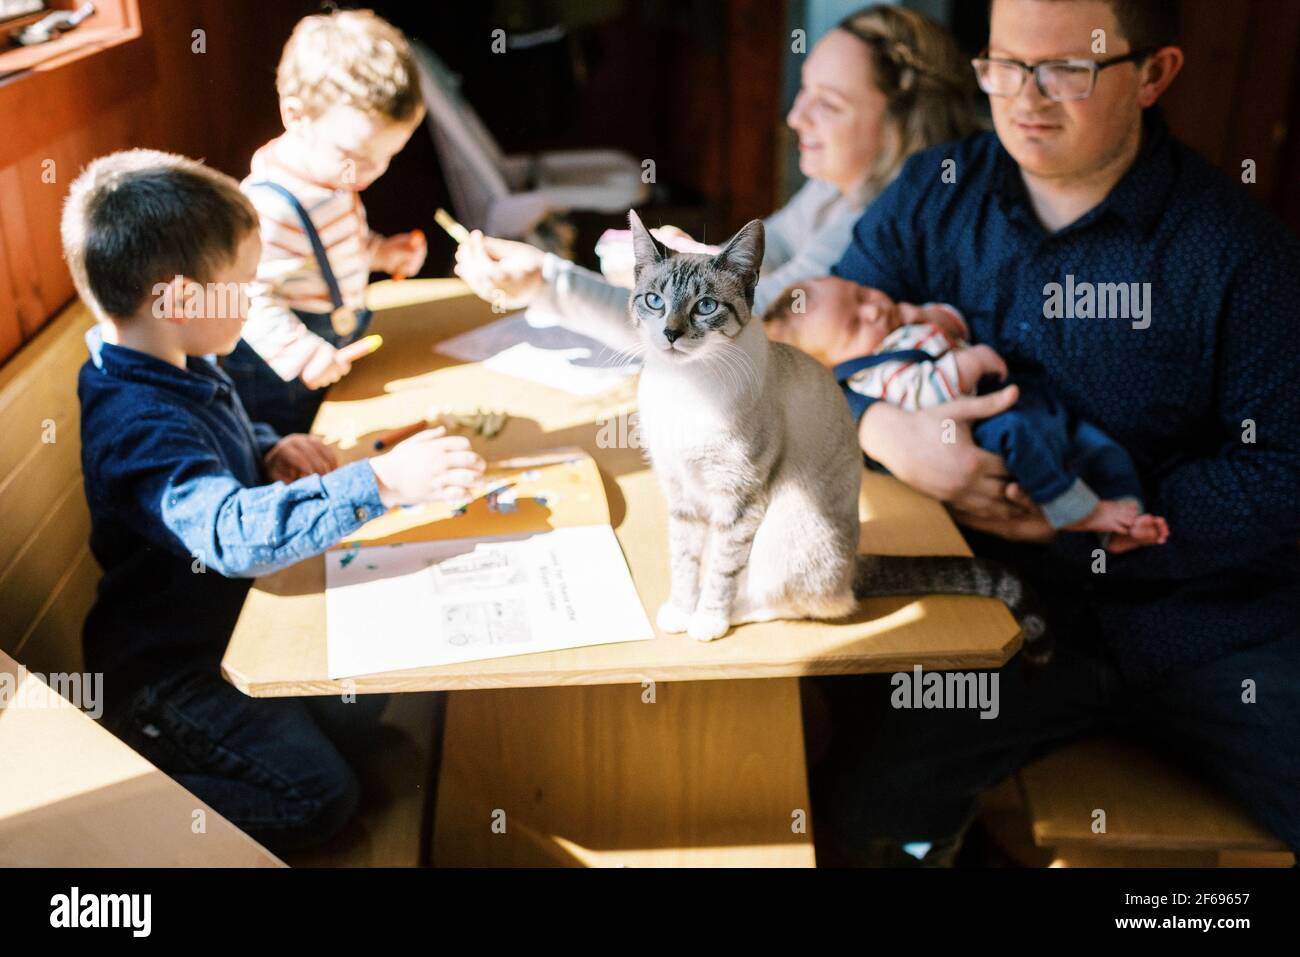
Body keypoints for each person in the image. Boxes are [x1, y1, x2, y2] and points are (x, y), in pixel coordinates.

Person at [817, 0, 1300, 864]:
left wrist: (1086, 513)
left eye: (1067, 70)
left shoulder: (1241, 254)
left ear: (1154, 75)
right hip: (1002, 619)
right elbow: (810, 353)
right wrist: (886, 427)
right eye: (1003, 66)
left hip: (1206, 622)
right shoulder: (936, 194)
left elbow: (1283, 476)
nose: (1025, 99)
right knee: (859, 809)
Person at [68, 149, 484, 851]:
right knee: (318, 797)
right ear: (177, 299)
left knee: (364, 707)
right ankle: (119, 811)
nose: (257, 299)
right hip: (170, 674)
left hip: (237, 625)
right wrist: (378, 483)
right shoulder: (134, 422)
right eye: (245, 285)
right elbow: (228, 532)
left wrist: (267, 445)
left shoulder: (178, 357)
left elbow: (216, 429)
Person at [452, 4, 979, 344]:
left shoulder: (875, 227)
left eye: (830, 105)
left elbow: (739, 324)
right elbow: (755, 269)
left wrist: (547, 280)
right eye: (804, 92)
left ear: (902, 127)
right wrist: (694, 262)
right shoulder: (831, 193)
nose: (795, 118)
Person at [764, 276, 1170, 549]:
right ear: (834, 366)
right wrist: (968, 363)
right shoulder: (872, 377)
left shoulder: (900, 325)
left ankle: (1127, 518)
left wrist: (931, 316)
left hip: (1032, 406)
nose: (873, 310)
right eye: (855, 325)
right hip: (987, 428)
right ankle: (1080, 512)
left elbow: (951, 321)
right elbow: (923, 392)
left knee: (1102, 448)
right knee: (1019, 436)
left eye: (862, 294)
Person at [224, 8, 429, 436]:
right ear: (296, 116)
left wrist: (378, 251)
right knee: (299, 455)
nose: (373, 172)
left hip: (333, 355)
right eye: (357, 156)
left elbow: (332, 247)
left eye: (388, 156)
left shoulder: (334, 175)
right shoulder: (269, 207)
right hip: (279, 379)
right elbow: (243, 297)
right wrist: (300, 353)